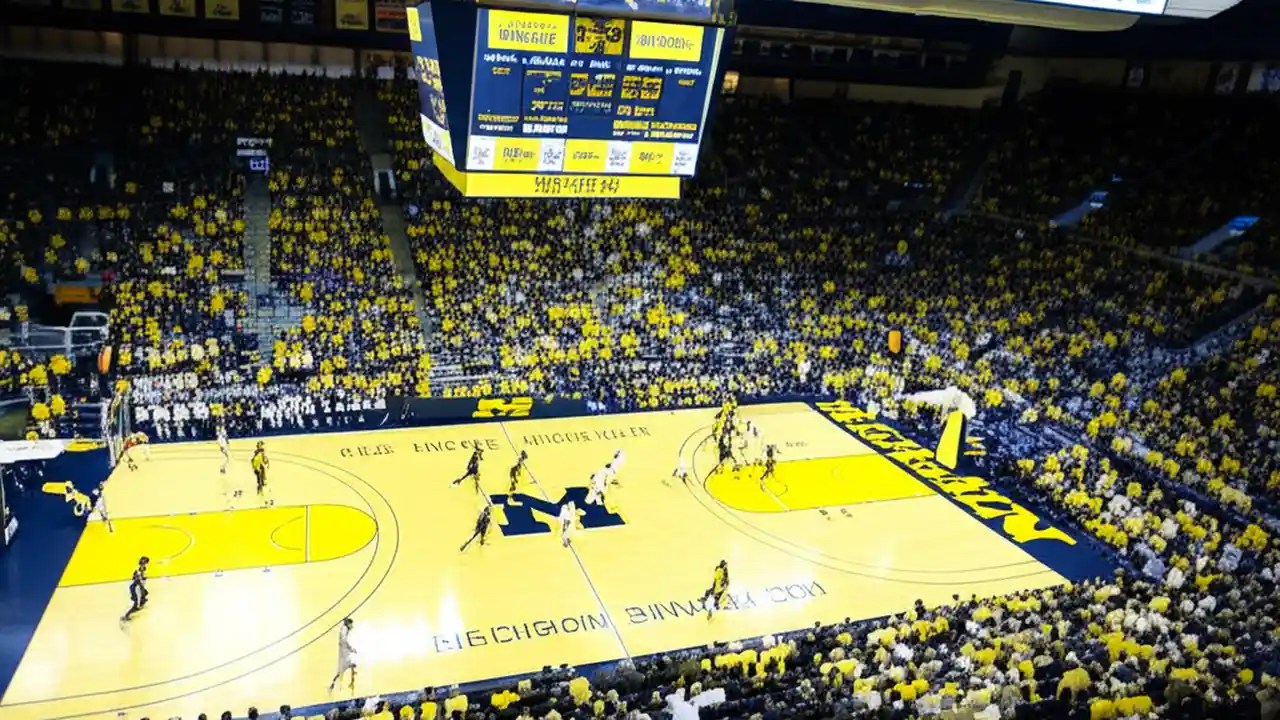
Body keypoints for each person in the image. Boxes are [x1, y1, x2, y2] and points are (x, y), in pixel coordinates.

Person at [329, 617, 357, 692]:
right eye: (351, 624)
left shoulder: (345, 629)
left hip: (344, 651)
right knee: (346, 666)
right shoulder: (344, 630)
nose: (352, 626)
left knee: (344, 668)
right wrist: (351, 649)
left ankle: (334, 684)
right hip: (344, 652)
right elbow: (344, 641)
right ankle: (334, 685)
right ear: (348, 624)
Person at [121, 556, 150, 622]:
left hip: (139, 586)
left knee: (145, 593)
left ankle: (141, 602)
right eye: (143, 562)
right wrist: (141, 582)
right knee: (137, 603)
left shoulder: (144, 569)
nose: (144, 564)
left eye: (145, 562)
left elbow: (143, 579)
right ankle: (126, 616)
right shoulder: (138, 571)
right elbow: (137, 581)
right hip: (136, 587)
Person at [251, 441, 271, 507]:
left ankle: (260, 492)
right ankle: (261, 493)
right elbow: (257, 461)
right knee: (260, 482)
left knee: (261, 482)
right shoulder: (258, 453)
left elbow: (264, 460)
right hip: (259, 469)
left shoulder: (260, 453)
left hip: (259, 468)